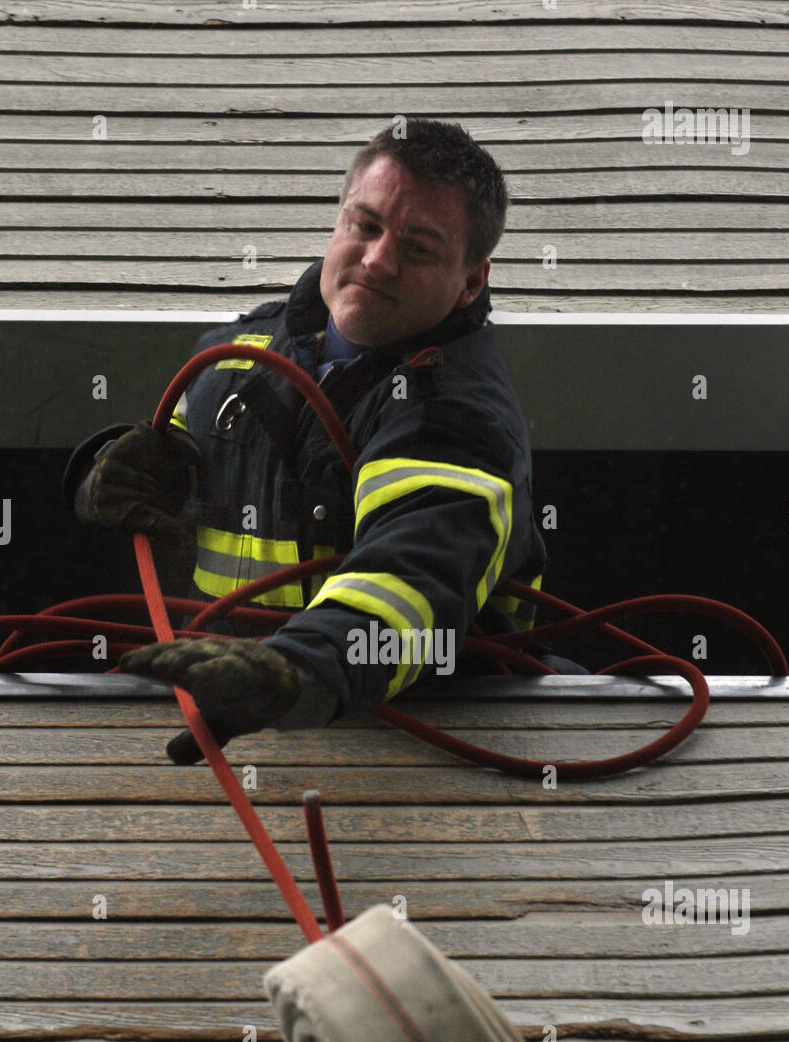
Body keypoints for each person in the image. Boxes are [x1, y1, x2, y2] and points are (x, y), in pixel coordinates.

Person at [63, 118, 552, 764]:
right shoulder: (239, 351)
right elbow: (175, 453)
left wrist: (295, 674)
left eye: (420, 247)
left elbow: (408, 579)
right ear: (338, 221)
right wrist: (105, 476)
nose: (378, 260)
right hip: (231, 716)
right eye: (366, 225)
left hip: (413, 748)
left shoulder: (458, 417)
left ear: (471, 282)